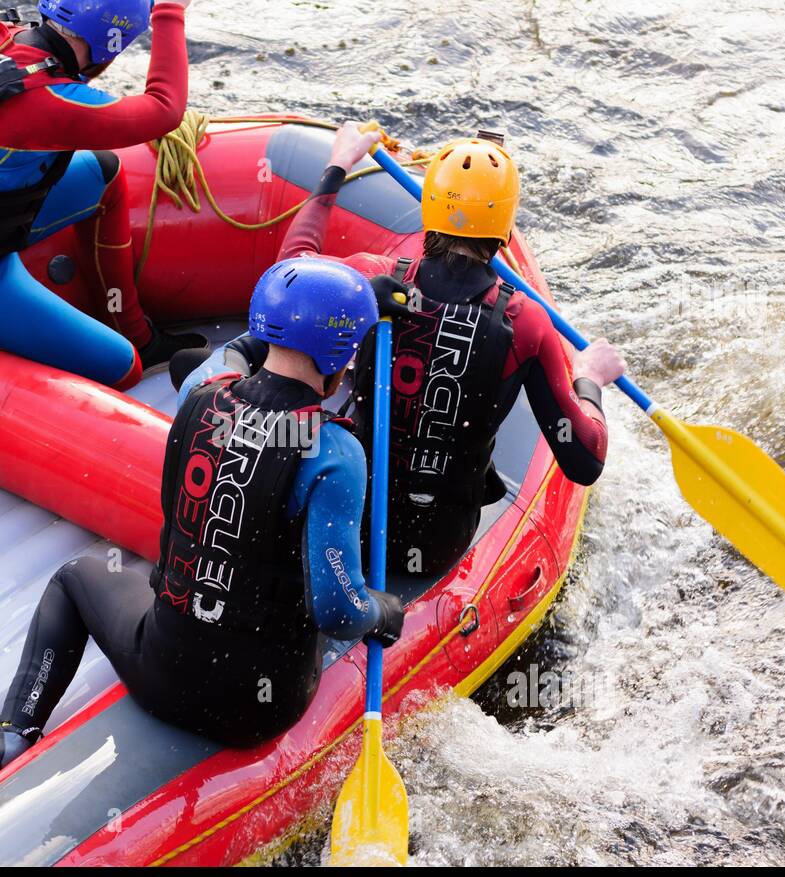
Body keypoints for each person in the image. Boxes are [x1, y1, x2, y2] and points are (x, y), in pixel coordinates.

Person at [0, 257, 405, 774]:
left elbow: (234, 356)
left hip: (160, 674)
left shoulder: (198, 396)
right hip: (259, 708)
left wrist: (296, 319)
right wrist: (382, 611)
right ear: (339, 357)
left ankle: (13, 733)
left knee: (76, 576)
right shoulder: (335, 451)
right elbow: (337, 610)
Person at [267, 123, 629, 578]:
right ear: (505, 224)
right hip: (437, 544)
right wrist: (589, 380)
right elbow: (585, 459)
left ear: (429, 205)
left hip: (350, 521)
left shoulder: (371, 277)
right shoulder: (526, 323)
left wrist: (338, 165)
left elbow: (288, 272)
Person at [0, 0, 206, 392]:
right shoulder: (48, 102)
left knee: (104, 175)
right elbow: (164, 111)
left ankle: (130, 325)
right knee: (122, 366)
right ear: (110, 42)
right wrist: (169, 10)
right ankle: (129, 349)